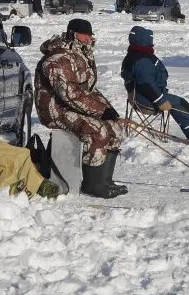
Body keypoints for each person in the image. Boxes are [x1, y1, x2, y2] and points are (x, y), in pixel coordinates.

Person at [34, 18, 126, 198]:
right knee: (97, 131)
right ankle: (92, 185)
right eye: (82, 35)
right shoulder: (57, 59)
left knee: (114, 128)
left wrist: (109, 111)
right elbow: (70, 93)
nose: (86, 39)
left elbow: (89, 90)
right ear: (71, 34)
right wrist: (100, 112)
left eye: (89, 36)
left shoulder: (82, 55)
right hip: (55, 111)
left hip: (73, 107)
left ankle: (104, 181)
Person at [121, 25, 189, 147]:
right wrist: (161, 101)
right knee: (181, 104)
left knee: (181, 103)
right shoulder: (142, 60)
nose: (152, 44)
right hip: (147, 100)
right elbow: (147, 84)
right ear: (144, 41)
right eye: (150, 42)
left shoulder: (133, 55)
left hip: (137, 97)